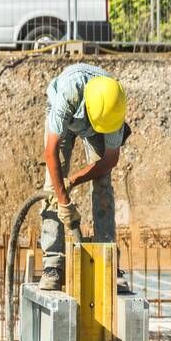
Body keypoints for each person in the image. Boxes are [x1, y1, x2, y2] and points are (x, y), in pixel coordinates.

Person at [38, 62, 129, 292]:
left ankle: (108, 259)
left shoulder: (113, 108)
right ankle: (53, 264)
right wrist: (63, 199)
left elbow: (109, 160)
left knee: (103, 185)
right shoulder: (68, 95)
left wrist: (74, 180)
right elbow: (51, 152)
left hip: (98, 121)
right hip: (68, 118)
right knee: (51, 186)